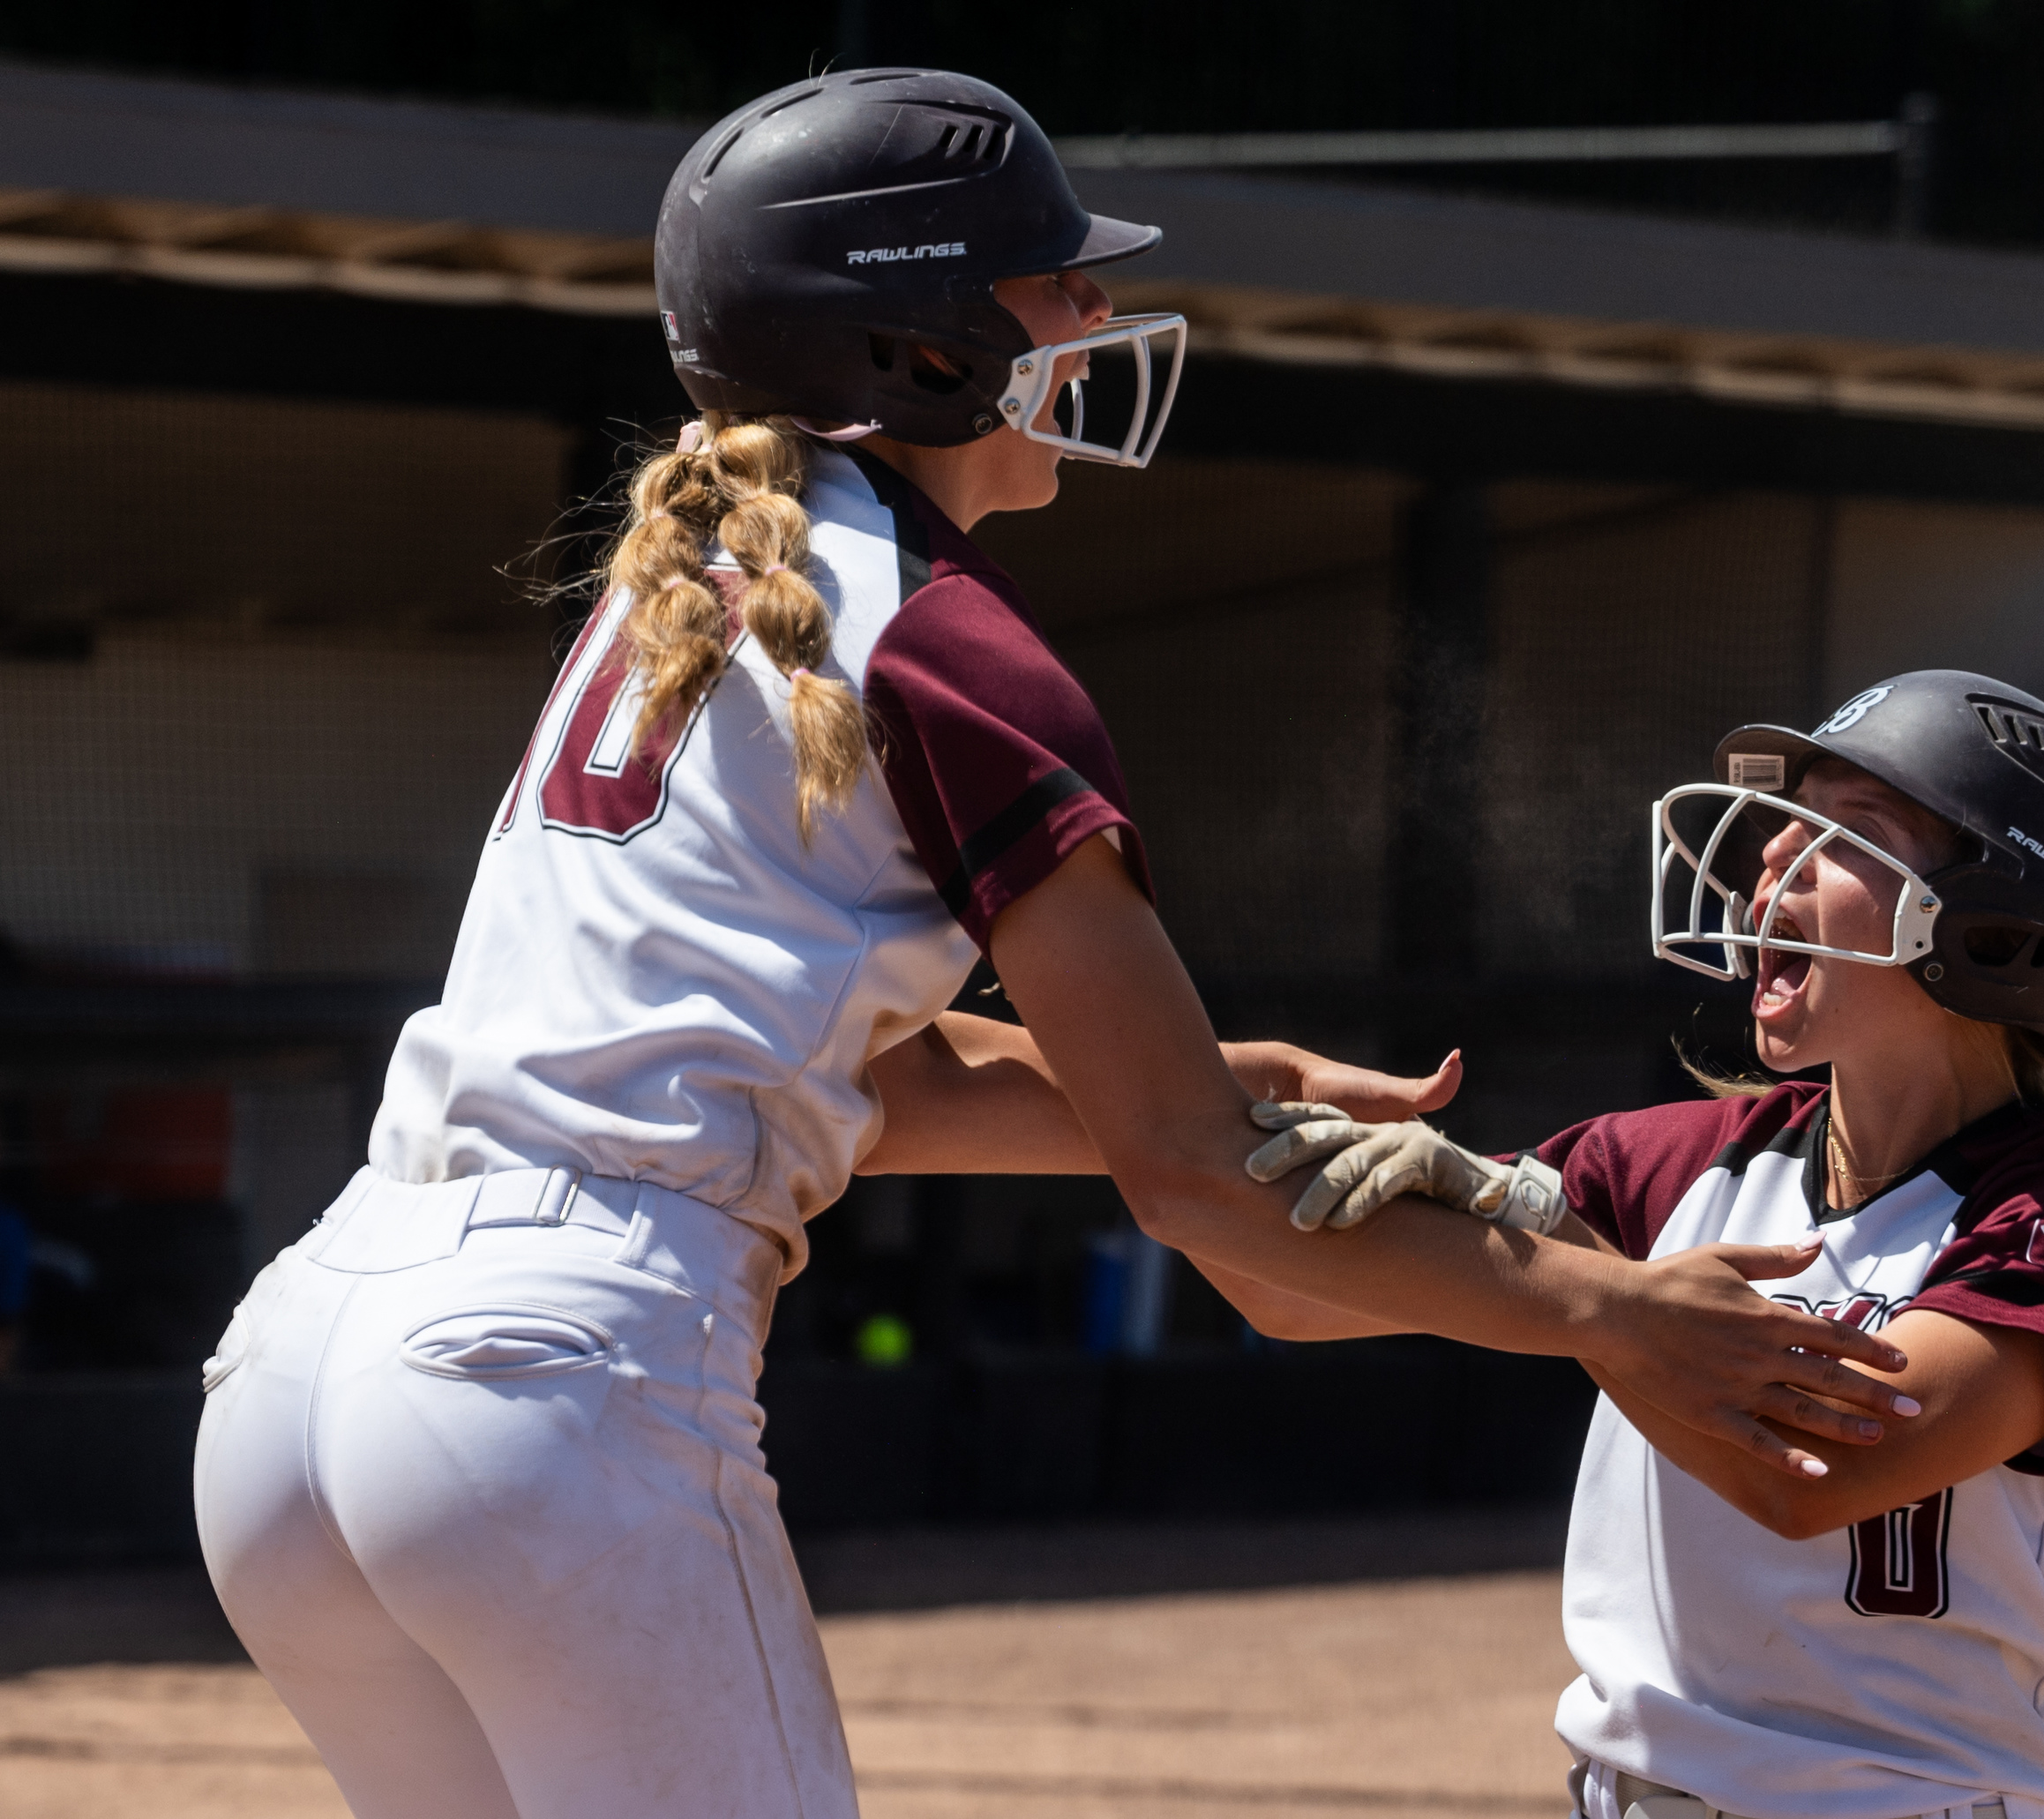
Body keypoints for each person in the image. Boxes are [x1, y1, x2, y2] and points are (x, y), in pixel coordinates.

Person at [189, 72, 1903, 1819]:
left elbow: (878, 1085)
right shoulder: (949, 640)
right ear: (922, 351)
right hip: (547, 1375)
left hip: (310, 1358)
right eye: (1047, 281)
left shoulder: (695, 574)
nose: (1091, 313)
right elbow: (1192, 1183)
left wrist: (1207, 1078)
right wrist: (1614, 1315)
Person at [1235, 672, 2044, 1819]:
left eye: (1849, 833)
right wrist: (1212, 1114)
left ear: (2003, 925)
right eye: (1786, 825)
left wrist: (1561, 1264)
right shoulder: (1682, 1161)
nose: (1770, 861)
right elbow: (1285, 1291)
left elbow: (1821, 1471)